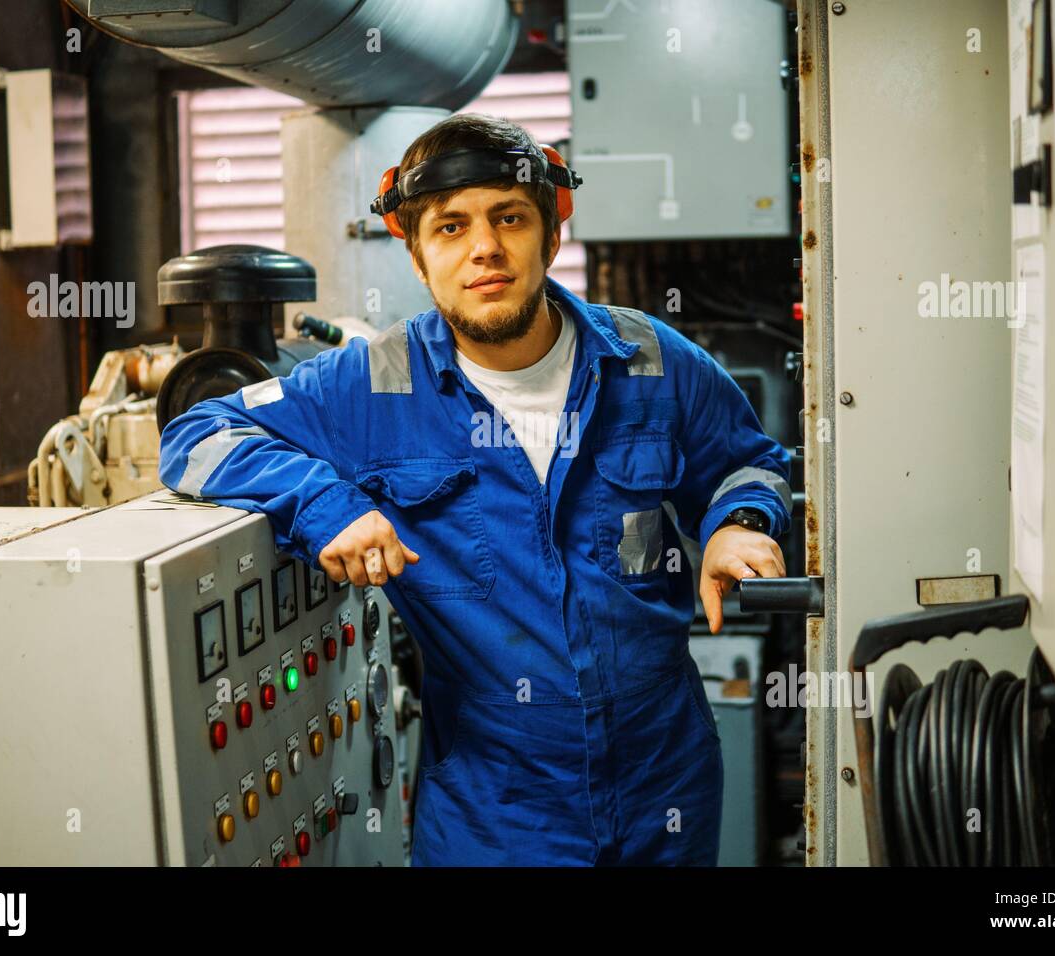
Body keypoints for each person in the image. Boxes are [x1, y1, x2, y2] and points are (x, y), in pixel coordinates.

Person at [159, 113, 791, 866]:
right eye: (451, 227)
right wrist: (328, 506)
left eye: (509, 218)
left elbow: (749, 460)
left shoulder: (652, 359)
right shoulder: (371, 386)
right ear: (418, 258)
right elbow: (198, 434)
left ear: (551, 236)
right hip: (495, 812)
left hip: (667, 783)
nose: (484, 247)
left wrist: (740, 521)